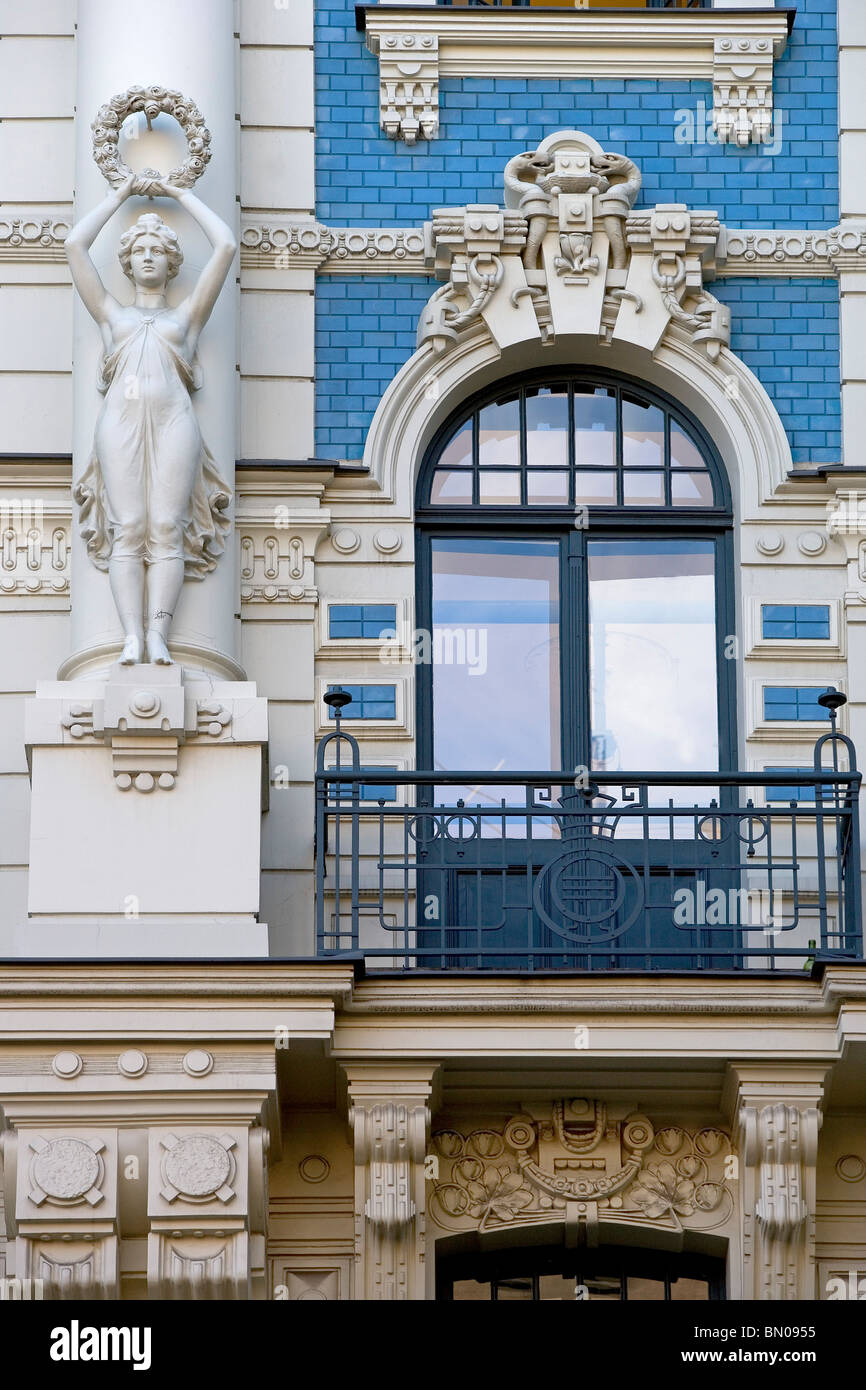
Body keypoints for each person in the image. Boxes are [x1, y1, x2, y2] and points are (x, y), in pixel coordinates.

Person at [65, 173, 236, 664]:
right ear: (127, 261)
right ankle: (132, 636)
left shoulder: (185, 320)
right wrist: (121, 192)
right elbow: (75, 244)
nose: (146, 256)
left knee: (166, 526)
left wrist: (179, 192)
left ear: (171, 262)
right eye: (138, 249)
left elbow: (224, 244)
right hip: (119, 424)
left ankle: (159, 633)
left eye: (156, 250)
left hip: (174, 424)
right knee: (130, 525)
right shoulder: (112, 318)